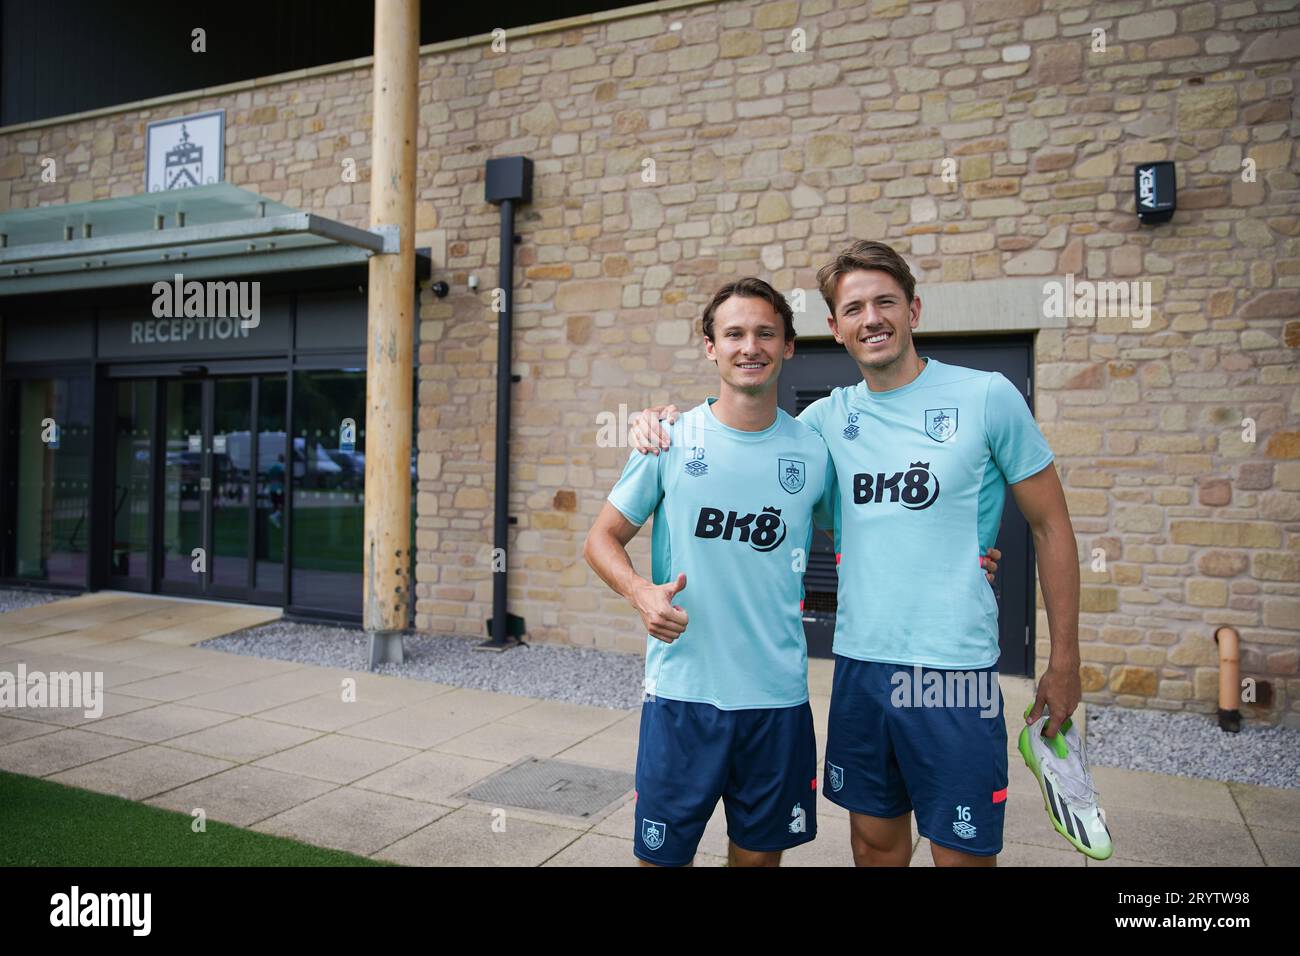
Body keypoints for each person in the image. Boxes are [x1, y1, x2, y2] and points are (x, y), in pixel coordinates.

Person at [628, 240, 1077, 867]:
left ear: (914, 309)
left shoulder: (988, 397)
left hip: (952, 671)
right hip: (861, 668)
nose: (872, 318)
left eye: (885, 301)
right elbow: (744, 445)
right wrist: (657, 423)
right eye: (854, 308)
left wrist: (1064, 660)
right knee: (871, 844)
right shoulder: (822, 424)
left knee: (963, 855)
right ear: (835, 329)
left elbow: (1052, 525)